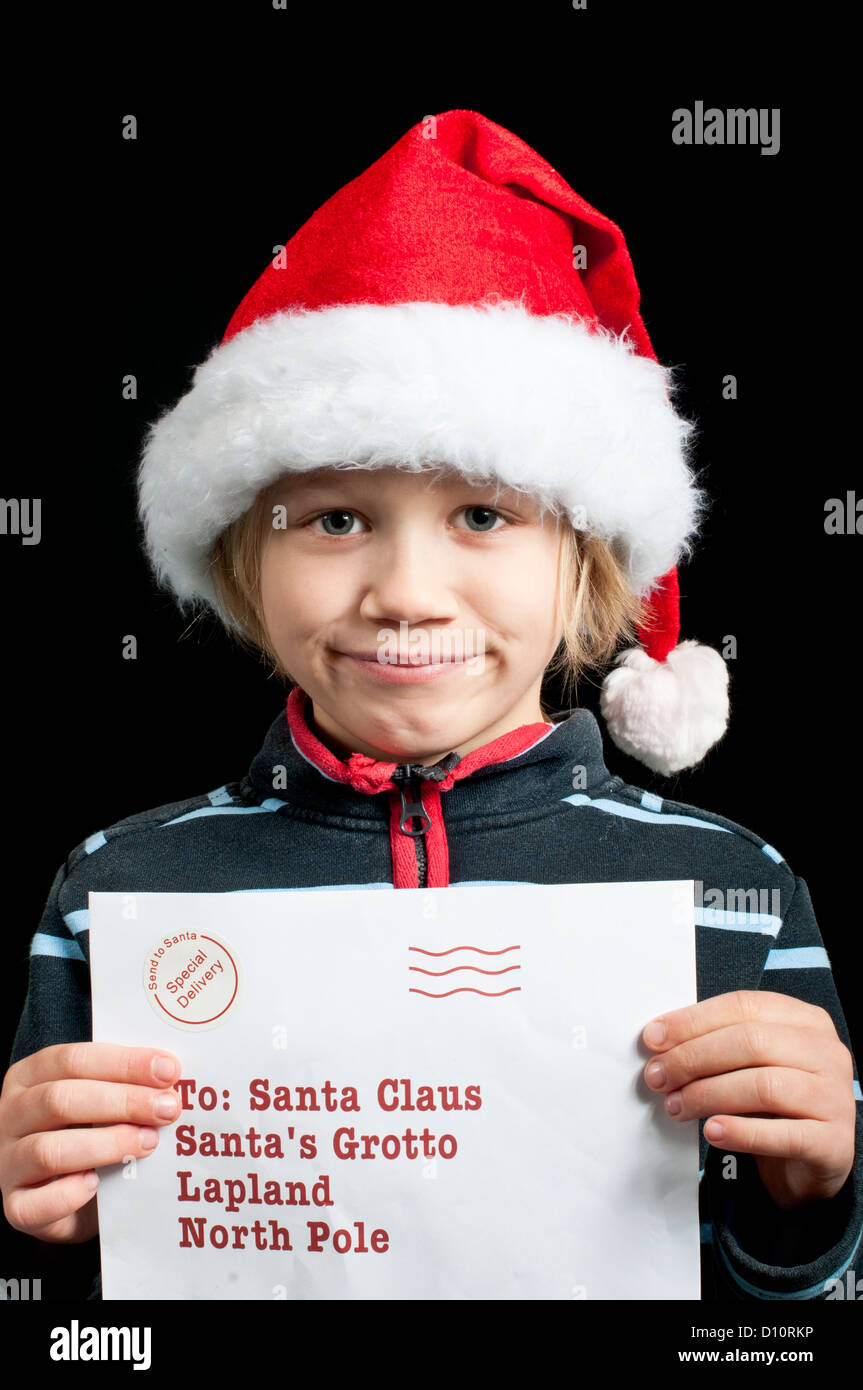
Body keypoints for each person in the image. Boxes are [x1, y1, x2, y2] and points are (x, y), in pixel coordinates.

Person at [1, 109, 860, 1302]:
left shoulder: (737, 892)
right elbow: (73, 1307)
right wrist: (52, 1236)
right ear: (246, 557)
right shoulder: (114, 893)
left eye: (483, 516)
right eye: (336, 518)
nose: (404, 592)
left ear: (586, 568)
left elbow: (789, 1318)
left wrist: (807, 1193)